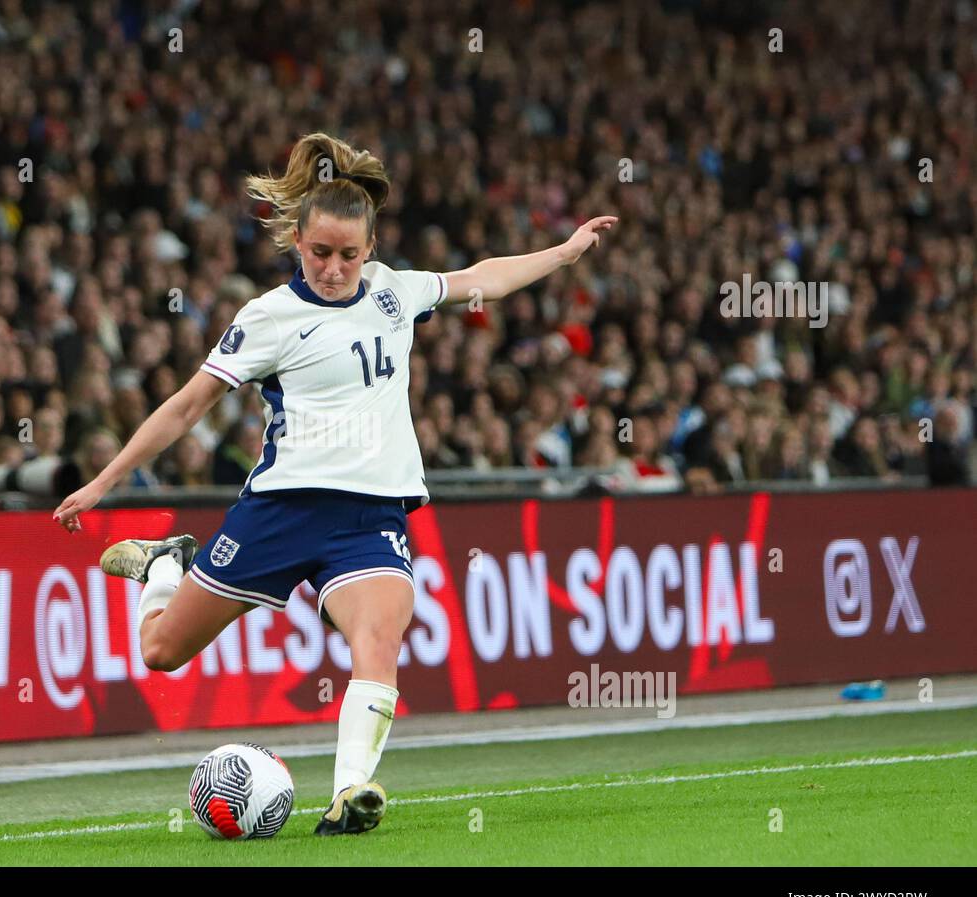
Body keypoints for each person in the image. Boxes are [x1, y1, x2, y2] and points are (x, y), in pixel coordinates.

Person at [53, 132, 616, 835]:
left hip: (371, 517)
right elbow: (188, 405)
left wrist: (564, 253)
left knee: (378, 642)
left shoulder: (394, 293)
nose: (334, 267)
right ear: (296, 240)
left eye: (349, 254)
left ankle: (350, 793)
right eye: (321, 252)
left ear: (370, 249)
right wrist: (106, 479)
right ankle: (166, 568)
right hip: (281, 510)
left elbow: (484, 278)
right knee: (162, 652)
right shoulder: (267, 318)